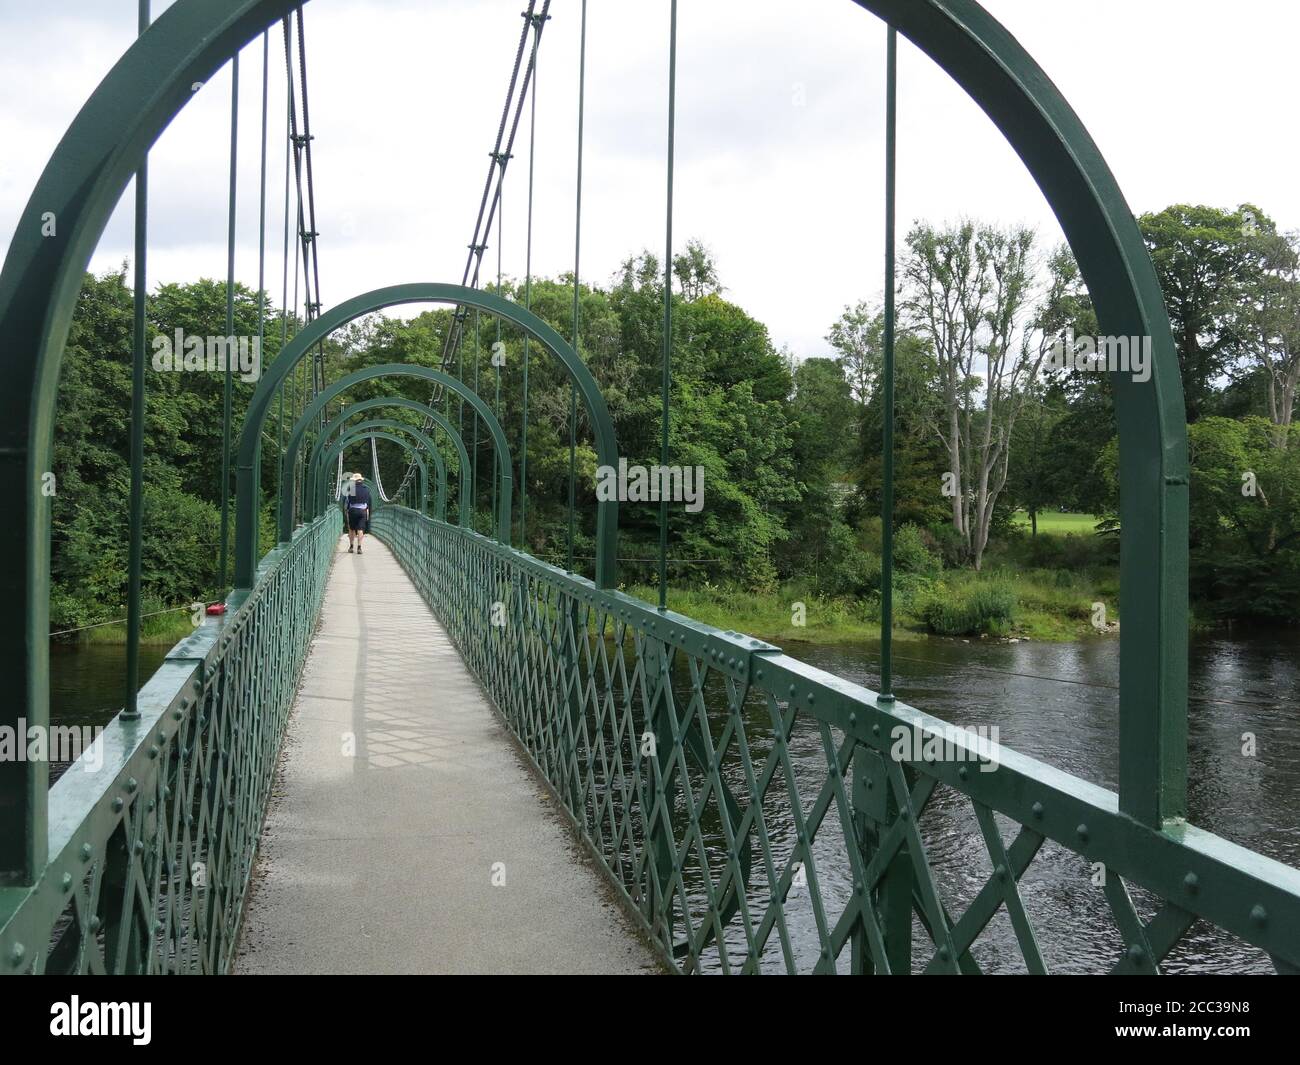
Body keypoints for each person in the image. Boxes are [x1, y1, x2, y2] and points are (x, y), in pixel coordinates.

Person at [344, 472, 371, 554]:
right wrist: (367, 513)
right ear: (361, 480)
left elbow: (348, 502)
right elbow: (367, 503)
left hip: (353, 511)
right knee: (360, 530)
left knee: (351, 529)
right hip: (363, 511)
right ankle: (359, 547)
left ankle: (351, 547)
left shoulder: (351, 489)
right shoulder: (366, 489)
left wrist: (347, 512)